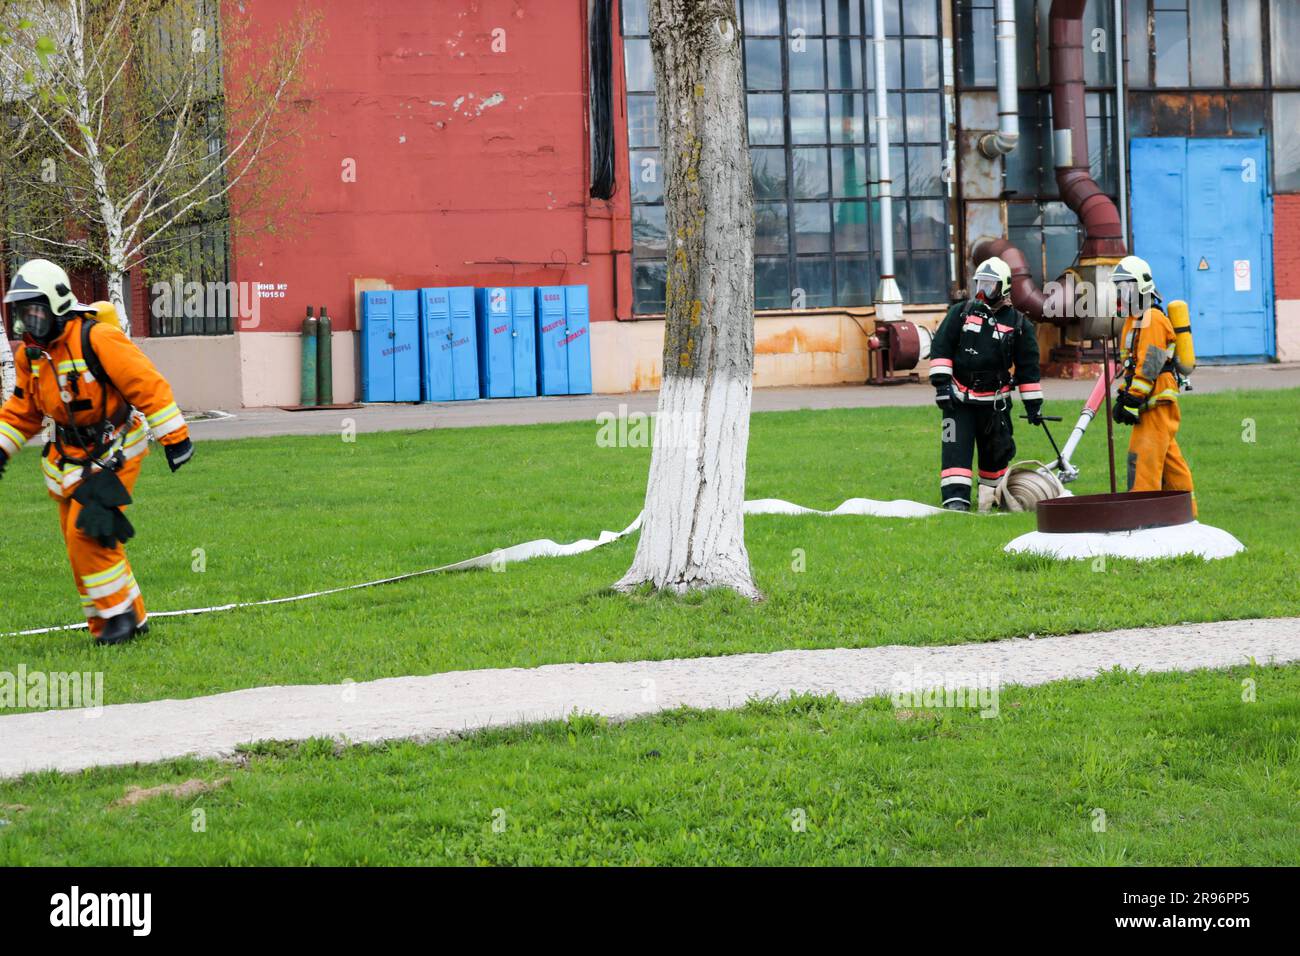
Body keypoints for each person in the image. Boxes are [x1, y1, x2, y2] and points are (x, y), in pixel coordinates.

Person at [0, 259, 193, 644]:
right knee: (80, 544)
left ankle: (117, 618)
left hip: (114, 450)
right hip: (68, 459)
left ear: (57, 304)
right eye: (22, 314)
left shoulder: (96, 338)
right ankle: (123, 619)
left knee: (87, 535)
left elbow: (147, 384)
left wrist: (176, 438)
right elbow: (23, 412)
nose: (27, 323)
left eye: (34, 311)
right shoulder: (31, 357)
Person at [929, 256, 1044, 511]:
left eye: (989, 285)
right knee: (954, 448)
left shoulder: (1018, 324)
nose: (982, 290)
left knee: (996, 452)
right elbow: (940, 347)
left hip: (995, 405)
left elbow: (1028, 368)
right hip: (958, 400)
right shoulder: (960, 313)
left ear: (1002, 287)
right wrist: (942, 385)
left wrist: (1033, 406)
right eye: (979, 283)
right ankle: (955, 499)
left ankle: (990, 497)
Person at [1110, 254, 1196, 515]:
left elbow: (1151, 363)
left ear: (1141, 287)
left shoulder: (1153, 319)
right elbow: (1131, 366)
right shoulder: (1132, 321)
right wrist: (1124, 397)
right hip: (1150, 401)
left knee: (1143, 457)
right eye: (1119, 288)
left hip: (1157, 401)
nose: (1122, 294)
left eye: (1126, 287)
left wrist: (1132, 398)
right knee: (1171, 462)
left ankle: (1140, 515)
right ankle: (1185, 512)